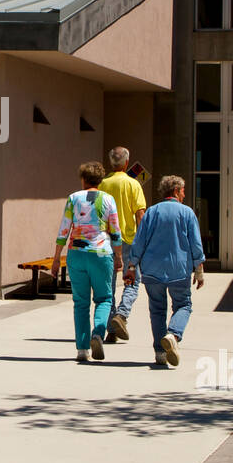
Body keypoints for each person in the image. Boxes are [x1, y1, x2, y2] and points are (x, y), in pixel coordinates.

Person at [125, 175, 205, 368]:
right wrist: (199, 269)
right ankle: (173, 334)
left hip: (152, 270)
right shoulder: (187, 213)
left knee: (157, 310)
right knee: (183, 305)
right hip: (179, 269)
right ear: (176, 191)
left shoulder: (151, 212)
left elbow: (139, 240)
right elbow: (195, 244)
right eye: (183, 190)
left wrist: (132, 266)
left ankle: (160, 353)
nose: (184, 194)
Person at [51, 162, 123, 362]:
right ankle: (98, 334)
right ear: (100, 180)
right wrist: (119, 256)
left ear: (83, 179)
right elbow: (115, 231)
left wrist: (57, 258)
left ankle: (82, 349)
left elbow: (64, 229)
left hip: (76, 253)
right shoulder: (108, 199)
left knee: (80, 303)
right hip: (101, 253)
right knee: (104, 299)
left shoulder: (73, 198)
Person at [98, 146, 147, 344]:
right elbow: (140, 215)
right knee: (132, 281)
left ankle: (111, 328)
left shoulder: (102, 184)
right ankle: (122, 315)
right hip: (128, 240)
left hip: (105, 240)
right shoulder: (133, 184)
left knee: (107, 286)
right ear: (126, 163)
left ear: (111, 162)